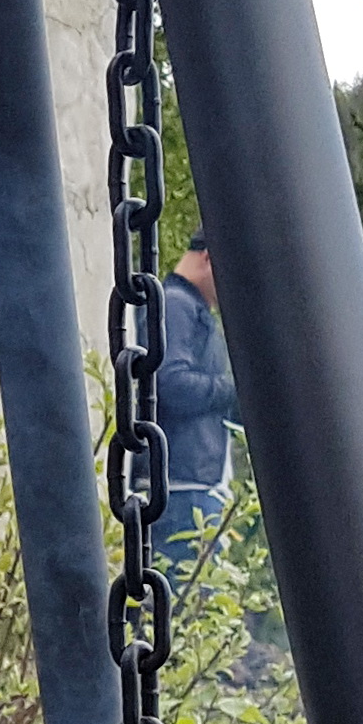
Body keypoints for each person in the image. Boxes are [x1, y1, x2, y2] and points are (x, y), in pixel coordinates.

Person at [156, 229, 239, 567]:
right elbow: (170, 384)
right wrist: (234, 389)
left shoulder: (185, 307)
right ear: (208, 258)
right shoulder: (176, 305)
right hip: (182, 494)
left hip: (190, 490)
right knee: (188, 607)